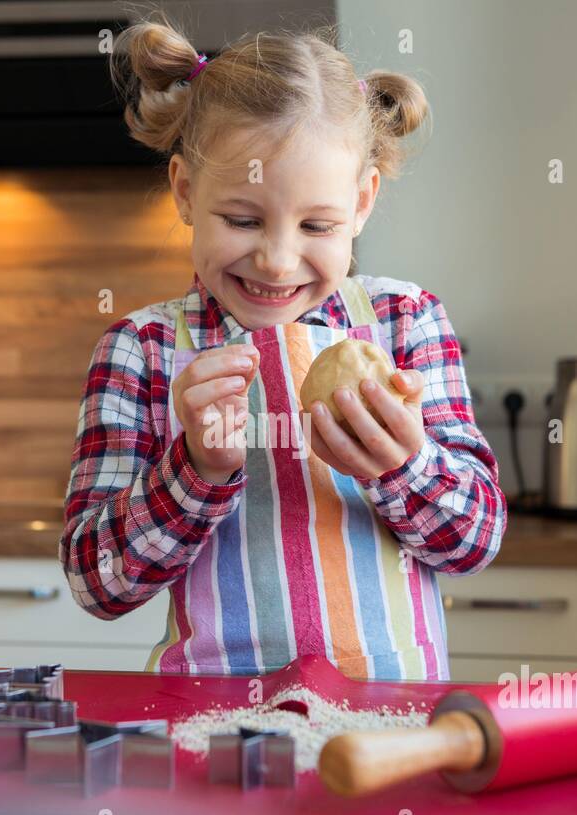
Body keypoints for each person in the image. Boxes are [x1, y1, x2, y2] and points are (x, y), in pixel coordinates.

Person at [60, 18, 506, 679]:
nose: (276, 261)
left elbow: (474, 544)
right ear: (185, 191)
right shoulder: (141, 350)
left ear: (361, 203)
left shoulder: (406, 323)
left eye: (317, 224)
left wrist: (403, 463)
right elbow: (98, 583)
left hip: (390, 722)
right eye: (242, 219)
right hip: (212, 727)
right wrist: (194, 473)